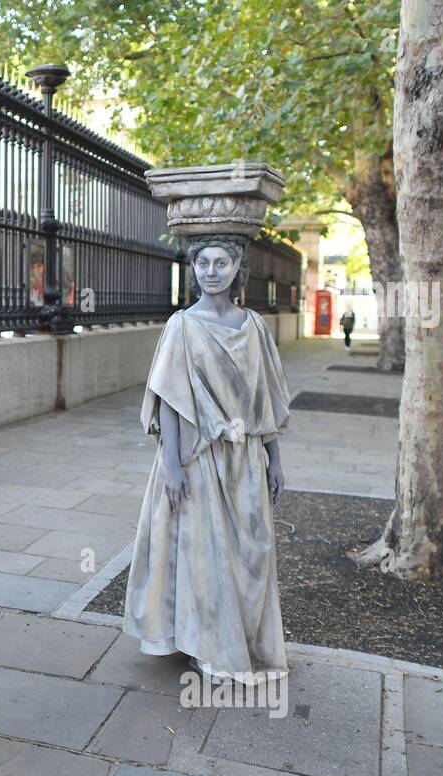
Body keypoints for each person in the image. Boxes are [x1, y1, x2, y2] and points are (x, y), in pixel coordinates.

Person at [123, 233, 291, 686]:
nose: (211, 271)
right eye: (203, 264)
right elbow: (170, 402)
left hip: (248, 460)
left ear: (237, 270)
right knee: (203, 556)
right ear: (193, 269)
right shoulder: (181, 325)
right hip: (197, 458)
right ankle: (208, 646)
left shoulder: (254, 326)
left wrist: (275, 457)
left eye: (221, 263)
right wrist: (173, 465)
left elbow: (267, 399)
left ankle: (244, 642)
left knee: (250, 554)